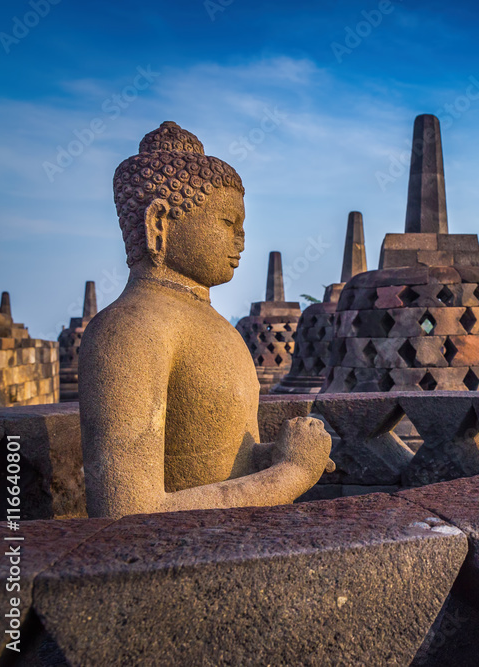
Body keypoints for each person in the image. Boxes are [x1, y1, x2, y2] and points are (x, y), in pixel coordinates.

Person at [80, 121, 333, 518]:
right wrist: (292, 472)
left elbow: (215, 462)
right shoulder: (130, 331)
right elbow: (127, 512)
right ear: (158, 222)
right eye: (227, 223)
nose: (242, 239)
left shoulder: (213, 325)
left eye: (243, 226)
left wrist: (275, 454)